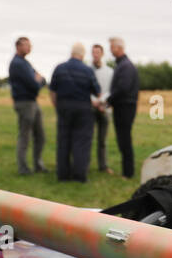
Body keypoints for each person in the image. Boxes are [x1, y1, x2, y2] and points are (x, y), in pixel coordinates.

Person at [47, 42, 102, 183]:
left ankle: (63, 175)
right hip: (83, 109)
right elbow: (97, 91)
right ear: (82, 55)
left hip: (64, 108)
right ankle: (79, 175)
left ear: (71, 53)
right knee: (82, 142)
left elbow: (52, 90)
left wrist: (57, 106)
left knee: (63, 140)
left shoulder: (59, 68)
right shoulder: (87, 70)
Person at [8, 36, 47, 175]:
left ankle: (38, 165)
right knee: (25, 136)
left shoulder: (26, 63)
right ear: (18, 46)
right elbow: (34, 84)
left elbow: (42, 79)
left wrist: (39, 80)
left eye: (30, 45)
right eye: (26, 45)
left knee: (40, 136)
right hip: (24, 103)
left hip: (32, 102)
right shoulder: (18, 63)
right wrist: (38, 81)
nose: (29, 48)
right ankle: (23, 168)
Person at [105, 36, 139, 179]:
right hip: (123, 107)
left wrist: (108, 100)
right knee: (123, 139)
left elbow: (122, 89)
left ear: (118, 48)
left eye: (112, 47)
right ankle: (127, 171)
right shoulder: (122, 64)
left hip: (124, 108)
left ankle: (128, 173)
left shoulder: (125, 66)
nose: (110, 50)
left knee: (124, 140)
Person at [89, 43, 114, 173]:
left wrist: (101, 102)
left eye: (97, 52)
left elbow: (110, 90)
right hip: (91, 108)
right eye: (93, 52)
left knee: (102, 140)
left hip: (104, 108)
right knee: (88, 137)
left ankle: (103, 166)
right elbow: (86, 88)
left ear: (102, 54)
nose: (95, 55)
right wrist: (94, 101)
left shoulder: (109, 71)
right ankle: (86, 165)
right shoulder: (87, 69)